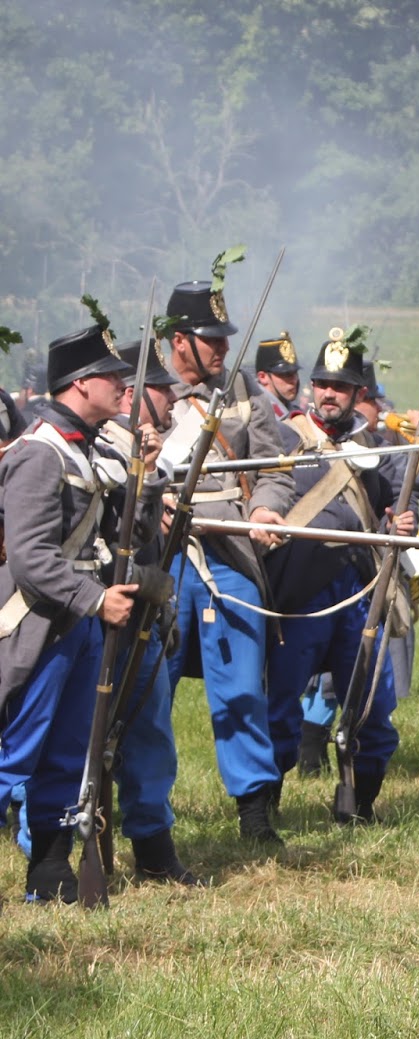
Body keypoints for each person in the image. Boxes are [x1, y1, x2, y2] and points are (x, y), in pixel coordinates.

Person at [0, 321, 167, 902]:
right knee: (16, 750)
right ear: (79, 384)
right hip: (38, 627)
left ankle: (48, 873)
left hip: (81, 629)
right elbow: (30, 558)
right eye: (113, 376)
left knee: (71, 752)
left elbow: (134, 532)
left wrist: (145, 473)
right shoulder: (40, 455)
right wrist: (96, 599)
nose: (125, 387)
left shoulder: (93, 451)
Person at [263, 327, 419, 822]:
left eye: (341, 387)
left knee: (372, 708)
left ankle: (358, 807)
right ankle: (261, 815)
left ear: (357, 395)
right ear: (311, 387)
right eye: (323, 383)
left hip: (359, 593)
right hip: (300, 591)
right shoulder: (284, 438)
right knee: (279, 709)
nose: (329, 393)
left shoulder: (375, 446)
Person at [157, 271, 295, 844]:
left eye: (223, 337)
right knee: (145, 692)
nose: (222, 348)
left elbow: (273, 469)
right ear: (179, 339)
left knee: (241, 686)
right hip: (158, 559)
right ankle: (144, 815)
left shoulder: (243, 391)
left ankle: (255, 813)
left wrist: (264, 509)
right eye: (209, 338)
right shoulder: (143, 389)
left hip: (231, 554)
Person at [96, 338, 198, 884]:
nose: (174, 402)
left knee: (149, 735)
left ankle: (154, 850)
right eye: (163, 392)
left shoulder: (140, 449)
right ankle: (50, 851)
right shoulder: (97, 446)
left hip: (140, 615)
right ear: (136, 393)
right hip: (92, 613)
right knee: (75, 738)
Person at [254, 332, 301, 418]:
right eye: (286, 374)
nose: (294, 380)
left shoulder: (293, 410)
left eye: (295, 373)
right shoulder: (257, 414)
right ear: (263, 377)